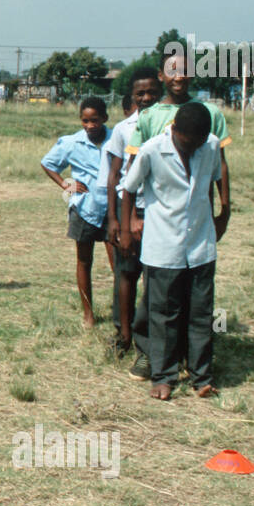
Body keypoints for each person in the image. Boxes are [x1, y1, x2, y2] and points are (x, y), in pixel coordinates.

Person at [122, 48, 232, 379]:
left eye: (185, 69)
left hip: (196, 229)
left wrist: (225, 209)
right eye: (172, 69)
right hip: (159, 223)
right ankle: (150, 356)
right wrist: (132, 218)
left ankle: (192, 364)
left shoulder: (211, 118)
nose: (179, 76)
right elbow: (132, 176)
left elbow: (220, 169)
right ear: (162, 74)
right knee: (158, 300)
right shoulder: (150, 118)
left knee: (196, 302)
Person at [103, 68, 163, 357]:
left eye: (152, 91)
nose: (146, 97)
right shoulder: (122, 129)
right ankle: (122, 334)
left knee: (155, 278)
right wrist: (115, 219)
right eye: (140, 93)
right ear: (132, 96)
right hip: (130, 210)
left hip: (159, 212)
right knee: (125, 274)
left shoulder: (169, 125)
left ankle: (148, 337)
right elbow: (114, 177)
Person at [41, 96, 113, 328]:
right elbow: (48, 163)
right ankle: (88, 313)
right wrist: (65, 184)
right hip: (85, 209)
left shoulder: (117, 139)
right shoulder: (72, 143)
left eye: (95, 120)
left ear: (104, 118)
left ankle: (123, 313)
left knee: (119, 264)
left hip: (112, 209)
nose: (90, 126)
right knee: (84, 261)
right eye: (85, 121)